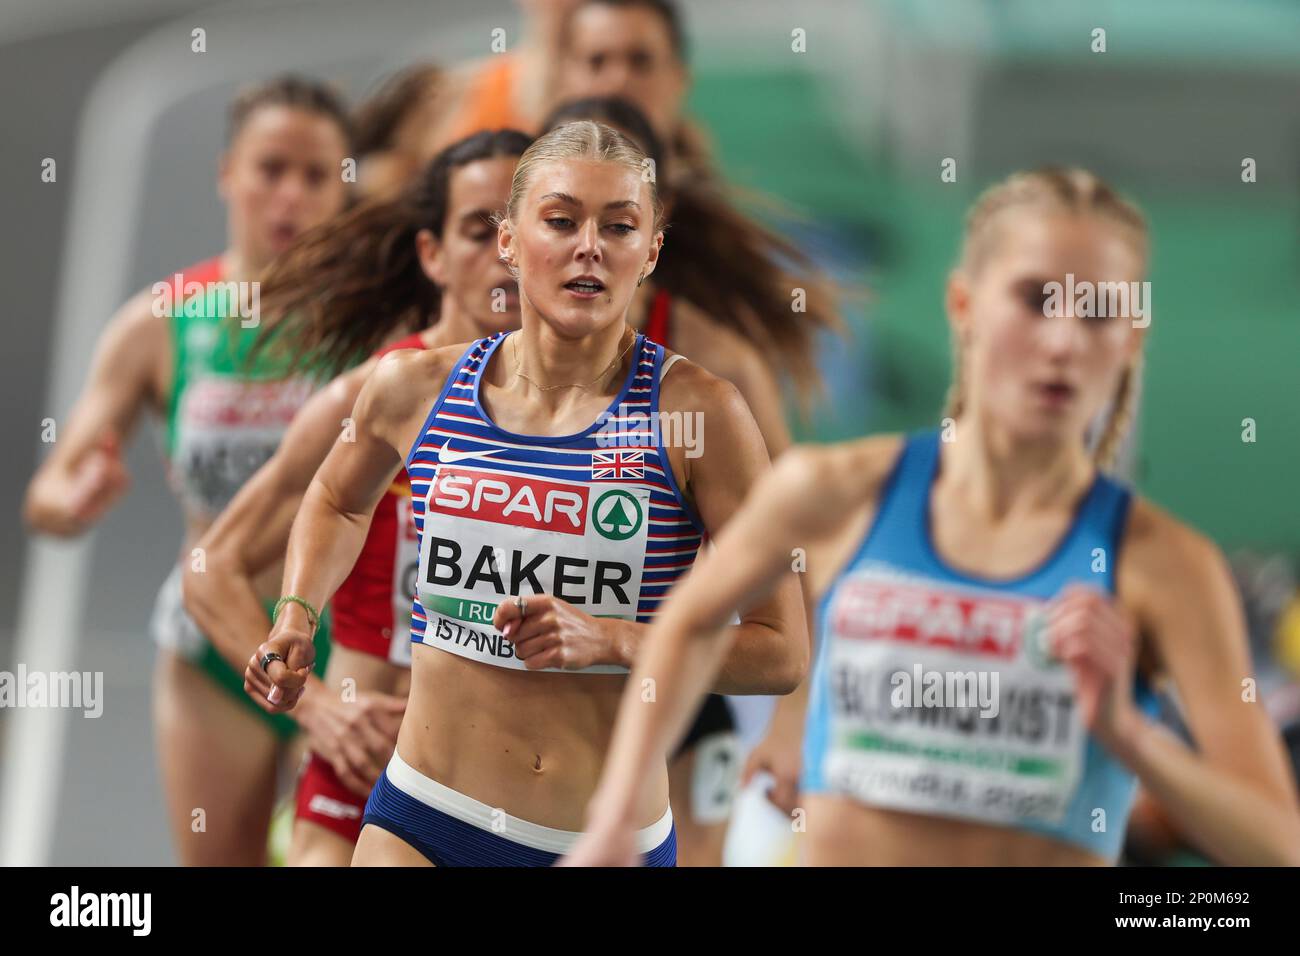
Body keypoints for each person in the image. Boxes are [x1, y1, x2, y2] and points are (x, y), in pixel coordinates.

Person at [565, 168, 1300, 866]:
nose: (1064, 341)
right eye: (1037, 299)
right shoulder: (832, 492)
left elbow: (1277, 842)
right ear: (963, 304)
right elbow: (691, 623)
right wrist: (614, 820)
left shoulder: (1160, 563)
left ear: (1133, 337)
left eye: (1100, 311)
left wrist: (1130, 734)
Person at [245, 120, 807, 866]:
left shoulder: (697, 416)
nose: (590, 247)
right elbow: (339, 500)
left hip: (600, 843)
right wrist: (295, 614)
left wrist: (610, 639)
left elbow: (780, 652)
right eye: (561, 220)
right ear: (508, 240)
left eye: (619, 226)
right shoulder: (414, 387)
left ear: (651, 252)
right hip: (423, 814)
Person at [22, 76, 352, 865]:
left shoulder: (378, 319)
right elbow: (48, 494)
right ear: (227, 174)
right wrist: (74, 497)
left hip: (350, 646)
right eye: (270, 168)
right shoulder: (159, 322)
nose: (290, 196)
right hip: (214, 650)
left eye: (316, 176)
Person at [183, 129, 533, 866]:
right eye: (478, 231)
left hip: (528, 788)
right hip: (367, 772)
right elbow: (211, 567)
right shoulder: (374, 398)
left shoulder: (604, 414)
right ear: (432, 255)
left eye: (523, 228)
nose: (504, 254)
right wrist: (316, 707)